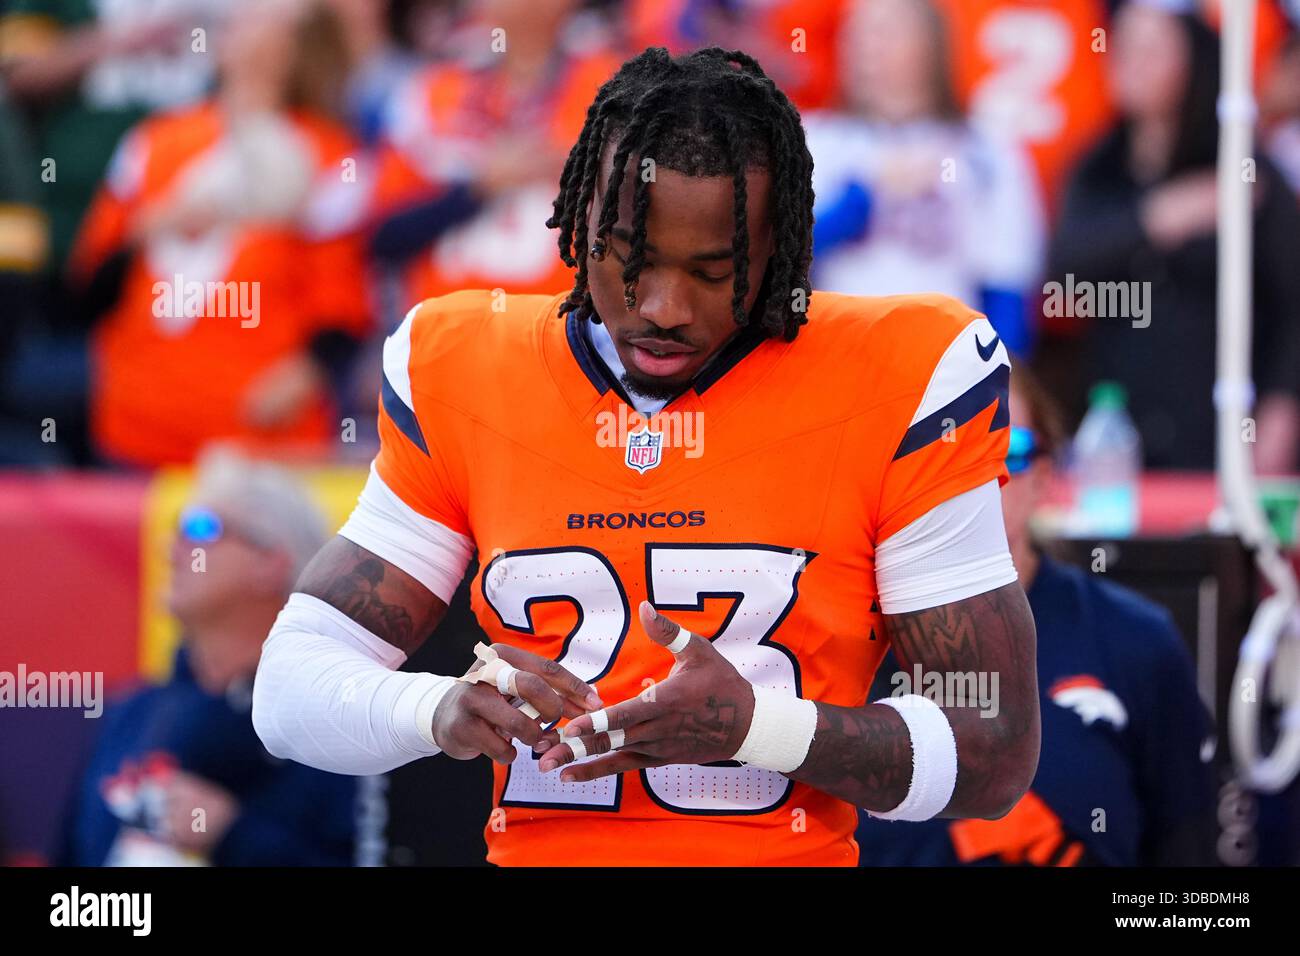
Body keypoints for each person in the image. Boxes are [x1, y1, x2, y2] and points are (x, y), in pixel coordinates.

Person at [253, 46, 1040, 867]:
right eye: (630, 258)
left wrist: (757, 727)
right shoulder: (464, 362)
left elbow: (993, 749)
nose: (663, 308)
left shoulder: (901, 368)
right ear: (578, 224)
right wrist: (435, 709)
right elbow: (288, 688)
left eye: (714, 270)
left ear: (783, 252)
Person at [856, 368, 1218, 866]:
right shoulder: (826, 641)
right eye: (939, 448)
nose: (978, 476)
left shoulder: (1137, 643)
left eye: (1008, 450)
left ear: (1045, 477)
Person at [67, 0, 372, 467]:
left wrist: (308, 372)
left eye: (277, 29)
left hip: (260, 439)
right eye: (247, 24)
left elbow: (343, 304)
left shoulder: (328, 154)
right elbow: (89, 283)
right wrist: (147, 229)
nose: (256, 38)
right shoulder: (156, 142)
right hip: (140, 425)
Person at [59, 453, 359, 866]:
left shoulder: (340, 723)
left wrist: (233, 835)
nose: (172, 548)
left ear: (271, 562)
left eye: (200, 528)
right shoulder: (132, 713)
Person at [1047, 0, 1300, 472]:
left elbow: (1293, 305)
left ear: (1192, 58)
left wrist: (1280, 415)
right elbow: (1061, 279)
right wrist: (1155, 219)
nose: (1131, 64)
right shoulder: (1096, 168)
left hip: (1222, 438)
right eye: (1123, 48)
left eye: (1152, 49)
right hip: (1117, 437)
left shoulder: (1246, 171)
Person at [805, 0, 1044, 354]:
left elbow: (1006, 285)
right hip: (835, 364)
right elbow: (772, 258)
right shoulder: (810, 141)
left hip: (942, 373)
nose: (865, 46)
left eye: (886, 31)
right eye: (854, 34)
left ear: (932, 44)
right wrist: (863, 198)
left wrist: (997, 383)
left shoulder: (985, 151)